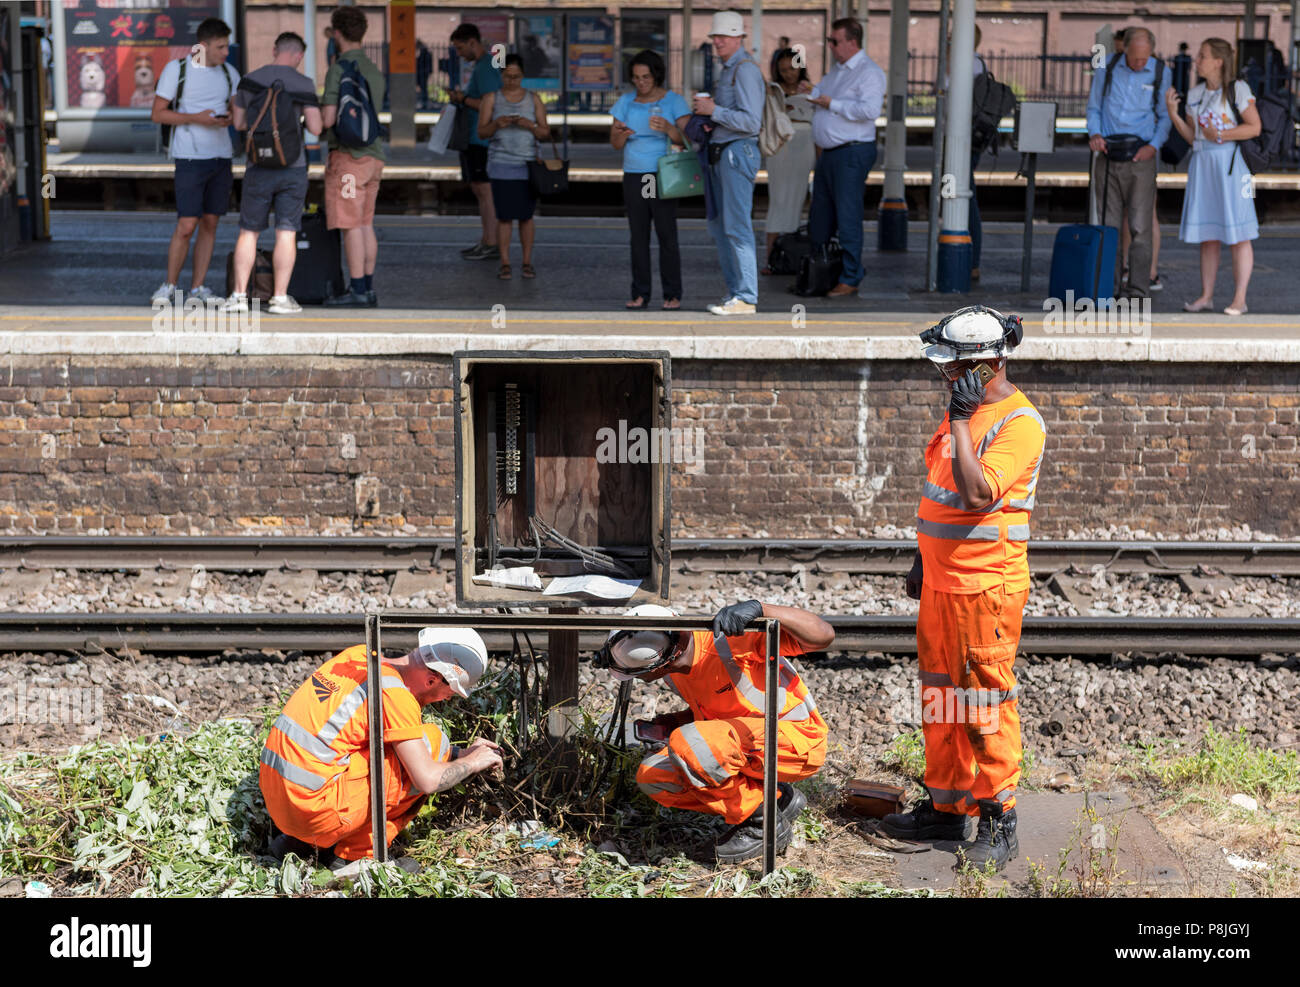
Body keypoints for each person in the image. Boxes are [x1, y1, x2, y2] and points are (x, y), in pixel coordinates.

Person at [882, 306, 1045, 873]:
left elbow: (978, 496)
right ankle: (947, 807)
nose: (947, 377)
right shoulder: (967, 411)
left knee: (983, 703)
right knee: (941, 697)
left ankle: (999, 820)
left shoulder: (1017, 422)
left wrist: (957, 418)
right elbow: (940, 493)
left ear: (988, 362)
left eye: (955, 368)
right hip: (943, 582)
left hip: (985, 588)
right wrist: (922, 560)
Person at [597, 602, 834, 865]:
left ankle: (762, 824)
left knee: (690, 744)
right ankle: (776, 799)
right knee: (653, 775)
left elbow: (823, 635)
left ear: (659, 664)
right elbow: (721, 711)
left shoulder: (729, 641)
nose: (641, 680)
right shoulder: (675, 666)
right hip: (747, 747)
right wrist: (675, 722)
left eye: (640, 674)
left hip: (796, 742)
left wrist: (761, 609)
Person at [260, 627, 503, 874]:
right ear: (432, 679)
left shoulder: (357, 657)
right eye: (450, 693)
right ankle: (354, 857)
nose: (447, 700)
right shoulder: (396, 695)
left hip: (279, 800)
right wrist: (473, 762)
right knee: (433, 745)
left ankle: (300, 844)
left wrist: (461, 754)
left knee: (399, 749)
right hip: (311, 812)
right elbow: (428, 779)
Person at [223, 32, 321, 315]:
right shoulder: (303, 83)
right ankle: (279, 297)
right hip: (293, 167)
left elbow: (239, 124)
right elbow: (315, 128)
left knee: (248, 232)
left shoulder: (250, 80)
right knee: (286, 232)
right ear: (299, 55)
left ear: (275, 50)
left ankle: (239, 296)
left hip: (257, 166)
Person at [149, 17, 240, 304]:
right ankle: (169, 285)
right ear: (203, 46)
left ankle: (198, 287)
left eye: (227, 46)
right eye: (220, 47)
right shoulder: (177, 70)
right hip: (189, 156)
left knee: (211, 223)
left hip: (221, 156)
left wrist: (231, 120)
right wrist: (196, 119)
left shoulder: (230, 73)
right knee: (187, 224)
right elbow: (158, 114)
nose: (226, 52)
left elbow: (238, 114)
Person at [1167, 38, 1261, 315]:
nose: (1197, 60)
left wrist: (1221, 134)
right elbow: (1193, 137)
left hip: (1232, 165)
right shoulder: (1195, 94)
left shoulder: (1237, 90)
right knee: (1209, 234)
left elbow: (1254, 127)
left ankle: (1239, 298)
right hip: (1204, 163)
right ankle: (1206, 295)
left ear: (1218, 61)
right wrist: (1174, 115)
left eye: (1202, 56)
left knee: (1239, 233)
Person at [1085, 25, 1170, 299]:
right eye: (1135, 58)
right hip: (1108, 154)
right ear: (1125, 50)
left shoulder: (1159, 72)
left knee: (1140, 226)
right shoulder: (1107, 69)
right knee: (1108, 226)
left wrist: (1153, 146)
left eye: (1145, 58)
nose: (1140, 63)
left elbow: (1164, 115)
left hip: (1141, 155)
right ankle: (1107, 288)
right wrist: (1094, 134)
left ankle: (1138, 288)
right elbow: (1094, 106)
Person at [693, 11, 765, 316]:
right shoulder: (730, 69)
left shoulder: (745, 70)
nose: (717, 41)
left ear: (738, 38)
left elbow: (752, 122)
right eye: (715, 36)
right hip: (726, 153)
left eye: (723, 36)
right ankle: (738, 294)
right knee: (723, 227)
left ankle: (746, 296)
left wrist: (714, 110)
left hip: (737, 152)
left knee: (736, 227)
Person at [808, 17, 886, 297]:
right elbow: (824, 95)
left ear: (852, 42)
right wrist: (812, 93)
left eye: (835, 41)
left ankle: (851, 276)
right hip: (831, 152)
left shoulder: (869, 73)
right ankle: (822, 269)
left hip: (851, 151)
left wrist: (832, 104)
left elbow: (870, 110)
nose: (830, 46)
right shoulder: (838, 71)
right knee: (821, 213)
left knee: (847, 215)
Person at [610, 49, 691, 309]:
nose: (641, 83)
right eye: (636, 78)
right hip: (636, 174)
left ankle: (672, 293)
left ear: (656, 76)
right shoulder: (625, 102)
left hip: (663, 173)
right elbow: (615, 143)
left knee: (666, 234)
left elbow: (689, 139)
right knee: (639, 235)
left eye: (646, 77)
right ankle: (640, 293)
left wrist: (669, 129)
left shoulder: (674, 101)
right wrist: (623, 134)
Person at [320, 6, 386, 308]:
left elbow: (329, 119)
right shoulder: (373, 70)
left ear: (336, 34)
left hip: (348, 158)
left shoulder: (339, 69)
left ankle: (357, 290)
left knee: (351, 225)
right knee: (365, 223)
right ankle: (368, 288)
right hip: (374, 157)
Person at [479, 53, 550, 281]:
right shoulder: (491, 99)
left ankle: (527, 261)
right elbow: (481, 132)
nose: (512, 81)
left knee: (527, 216)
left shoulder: (534, 99)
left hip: (527, 164)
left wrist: (530, 125)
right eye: (508, 77)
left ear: (523, 76)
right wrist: (496, 124)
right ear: (501, 75)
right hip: (501, 164)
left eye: (516, 77)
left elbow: (545, 132)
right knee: (505, 217)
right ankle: (506, 262)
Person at [449, 23, 501, 261]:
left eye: (460, 48)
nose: (459, 54)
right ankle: (486, 240)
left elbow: (490, 105)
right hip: (475, 137)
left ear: (472, 42)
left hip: (481, 138)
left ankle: (492, 243)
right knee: (480, 190)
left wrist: (463, 98)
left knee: (485, 190)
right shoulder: (482, 66)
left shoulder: (486, 68)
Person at [761, 47, 815, 273]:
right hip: (781, 146)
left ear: (800, 66)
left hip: (805, 144)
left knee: (798, 196)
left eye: (792, 68)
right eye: (782, 70)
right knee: (778, 199)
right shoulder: (772, 92)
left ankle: (792, 254)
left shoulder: (812, 90)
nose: (788, 74)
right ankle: (771, 259)